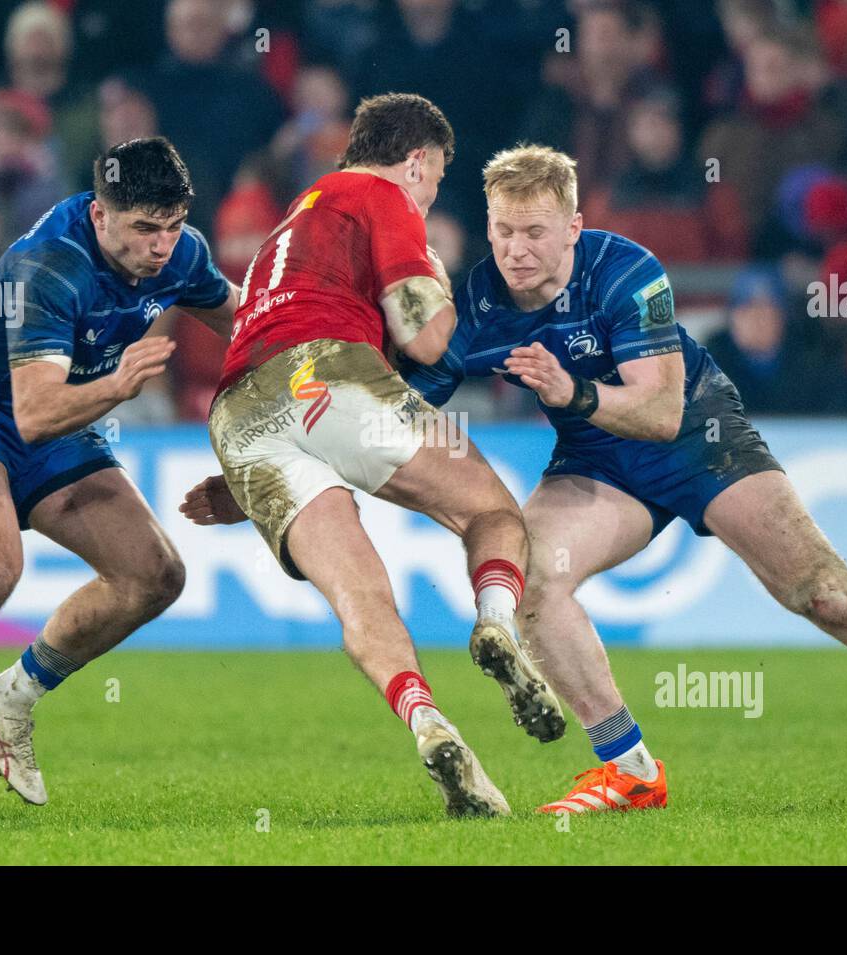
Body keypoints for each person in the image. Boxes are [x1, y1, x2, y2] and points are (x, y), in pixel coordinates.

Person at [401, 144, 847, 815]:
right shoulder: (478, 301)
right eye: (503, 232)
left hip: (699, 438)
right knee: (534, 578)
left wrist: (573, 392)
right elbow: (409, 392)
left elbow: (662, 413)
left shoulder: (627, 272)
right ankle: (630, 769)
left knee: (825, 593)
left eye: (534, 233)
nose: (515, 250)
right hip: (597, 461)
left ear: (572, 228)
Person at [180, 94, 562, 818]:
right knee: (490, 510)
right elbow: (424, 341)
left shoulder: (293, 220)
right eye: (437, 178)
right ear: (416, 160)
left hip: (237, 417)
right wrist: (447, 279)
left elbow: (271, 373)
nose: (429, 193)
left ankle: (428, 721)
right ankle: (496, 624)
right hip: (326, 372)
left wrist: (241, 484)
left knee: (359, 593)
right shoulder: (382, 195)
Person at [0, 137, 237, 817]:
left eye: (173, 225)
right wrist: (117, 384)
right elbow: (33, 412)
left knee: (156, 573)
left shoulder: (181, 252)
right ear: (100, 215)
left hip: (59, 417)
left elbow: (251, 322)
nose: (162, 246)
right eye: (145, 227)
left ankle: (10, 698)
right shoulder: (50, 267)